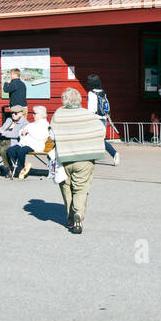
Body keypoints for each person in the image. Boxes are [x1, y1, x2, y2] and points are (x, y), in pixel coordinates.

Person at [50, 88, 107, 233]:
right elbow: (102, 131)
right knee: (81, 188)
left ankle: (70, 219)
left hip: (64, 158)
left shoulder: (58, 113)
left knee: (66, 187)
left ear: (64, 99)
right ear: (79, 99)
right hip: (85, 158)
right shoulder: (89, 114)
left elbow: (51, 136)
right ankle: (78, 214)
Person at [85, 74, 120, 166]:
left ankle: (114, 153)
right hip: (103, 119)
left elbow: (91, 109)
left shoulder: (91, 93)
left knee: (95, 139)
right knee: (98, 139)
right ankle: (92, 157)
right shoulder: (103, 93)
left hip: (95, 120)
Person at [0, 105, 27, 176]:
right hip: (1, 141)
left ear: (21, 113)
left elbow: (16, 134)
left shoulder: (25, 123)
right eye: (12, 113)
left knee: (4, 150)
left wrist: (3, 132)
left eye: (15, 113)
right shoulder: (9, 120)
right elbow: (2, 128)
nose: (13, 115)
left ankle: (9, 169)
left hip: (13, 142)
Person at [7, 105, 50, 179]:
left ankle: (20, 169)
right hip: (24, 144)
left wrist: (29, 131)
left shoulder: (45, 125)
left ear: (41, 115)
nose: (33, 115)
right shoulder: (32, 124)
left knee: (21, 151)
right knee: (10, 150)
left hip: (35, 145)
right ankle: (21, 168)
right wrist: (22, 132)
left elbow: (41, 136)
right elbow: (22, 131)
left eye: (35, 114)